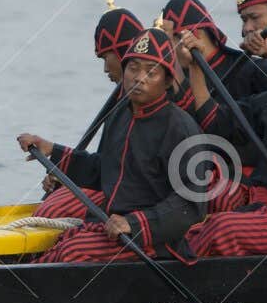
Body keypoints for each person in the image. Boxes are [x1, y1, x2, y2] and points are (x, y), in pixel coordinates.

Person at [17, 27, 205, 263]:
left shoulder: (180, 127)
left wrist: (134, 223)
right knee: (59, 242)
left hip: (155, 244)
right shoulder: (120, 115)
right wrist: (52, 151)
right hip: (111, 228)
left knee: (74, 251)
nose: (139, 77)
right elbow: (102, 170)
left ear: (167, 81)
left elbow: (192, 204)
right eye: (133, 68)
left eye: (151, 71)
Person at [176, 25, 267, 260]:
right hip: (262, 204)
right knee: (206, 194)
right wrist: (196, 67)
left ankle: (173, 269)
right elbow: (213, 120)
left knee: (222, 228)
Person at [34, 0, 143, 216]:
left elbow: (117, 172)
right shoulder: (120, 101)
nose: (104, 69)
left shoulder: (151, 104)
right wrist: (67, 173)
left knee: (55, 209)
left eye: (105, 58)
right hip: (115, 186)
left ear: (123, 54)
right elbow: (103, 163)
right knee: (54, 203)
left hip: (137, 198)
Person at [160, 0, 267, 107]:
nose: (167, 49)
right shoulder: (170, 82)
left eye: (170, 41)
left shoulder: (251, 69)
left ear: (192, 35)